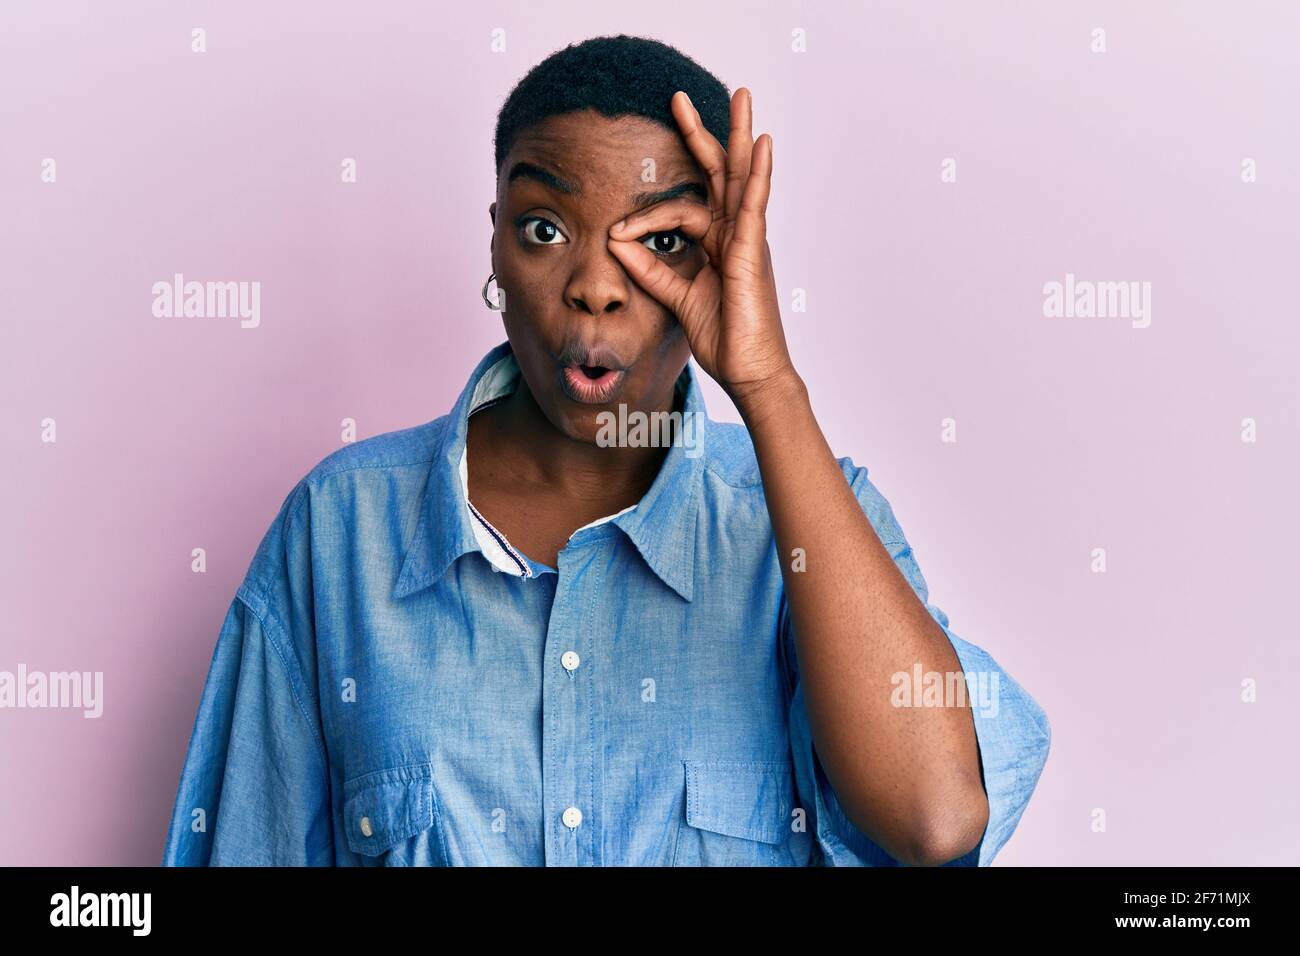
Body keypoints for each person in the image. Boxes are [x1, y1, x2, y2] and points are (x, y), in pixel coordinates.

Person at [162, 33, 1050, 867]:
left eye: (661, 242)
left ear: (717, 259)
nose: (593, 288)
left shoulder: (802, 530)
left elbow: (935, 814)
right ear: (497, 240)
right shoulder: (338, 530)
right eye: (545, 228)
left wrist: (769, 384)